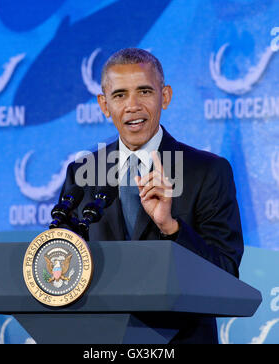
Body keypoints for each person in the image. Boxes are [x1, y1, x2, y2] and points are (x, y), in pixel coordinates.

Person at [60, 48, 244, 344]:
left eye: (144, 91)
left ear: (165, 96)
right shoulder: (83, 173)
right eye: (119, 95)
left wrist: (172, 228)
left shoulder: (208, 171)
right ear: (104, 105)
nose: (132, 106)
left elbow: (226, 275)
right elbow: (62, 262)